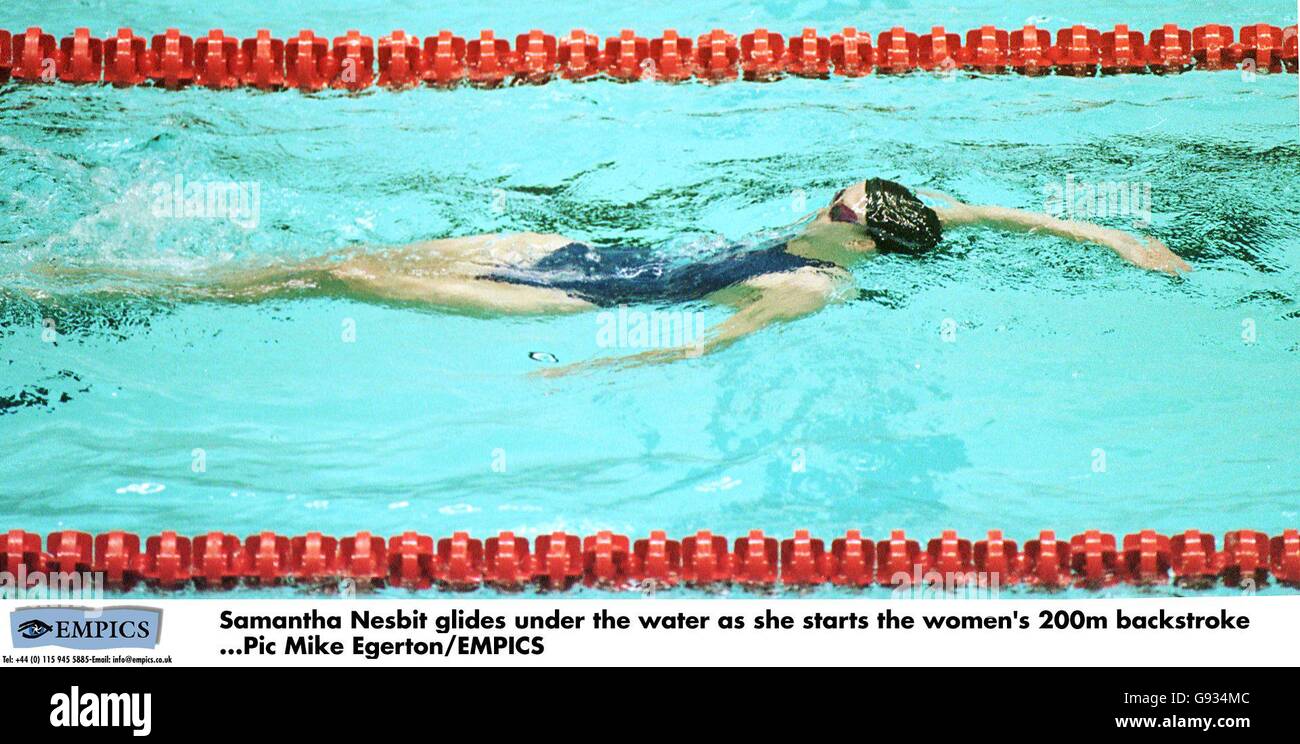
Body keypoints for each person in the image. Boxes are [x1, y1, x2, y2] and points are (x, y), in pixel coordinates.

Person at [35, 178, 1190, 370]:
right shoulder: (881, 216)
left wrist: (579, 379)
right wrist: (1115, 239)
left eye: (838, 209)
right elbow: (994, 210)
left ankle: (118, 291)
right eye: (841, 191)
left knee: (339, 274)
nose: (822, 202)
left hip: (570, 295)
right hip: (572, 251)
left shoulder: (805, 286)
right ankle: (124, 269)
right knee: (337, 256)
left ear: (860, 244)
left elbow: (693, 345)